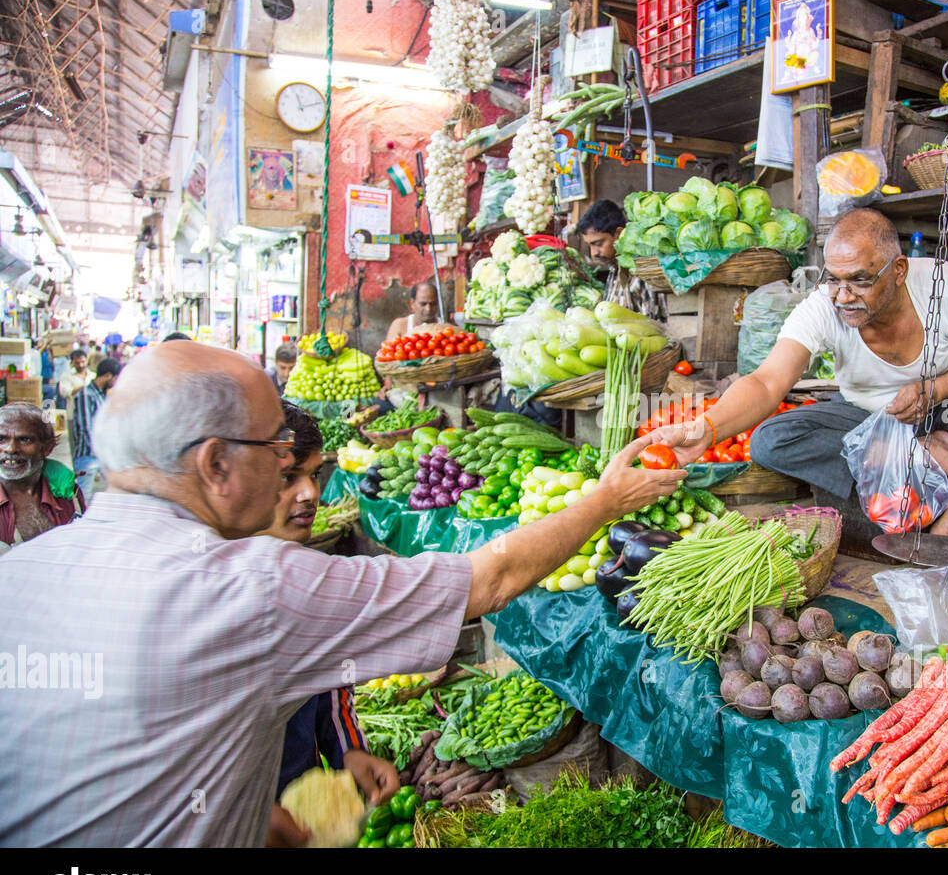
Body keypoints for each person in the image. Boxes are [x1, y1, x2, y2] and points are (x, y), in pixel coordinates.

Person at [0, 341, 684, 846]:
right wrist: (606, 500)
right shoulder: (251, 583)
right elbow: (490, 580)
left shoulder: (21, 574)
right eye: (274, 449)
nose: (295, 481)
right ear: (214, 463)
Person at [650, 208, 948, 538]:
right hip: (867, 422)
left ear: (898, 270)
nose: (843, 297)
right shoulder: (824, 307)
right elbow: (768, 381)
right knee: (772, 439)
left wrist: (935, 387)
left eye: (859, 280)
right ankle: (934, 463)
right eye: (834, 280)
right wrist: (708, 429)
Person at [264, 402, 399, 847]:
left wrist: (350, 752)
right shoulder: (204, 589)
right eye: (289, 478)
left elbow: (330, 678)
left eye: (315, 475)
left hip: (300, 800)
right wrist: (250, 808)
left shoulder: (309, 575)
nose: (310, 493)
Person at [0, 404, 85, 553]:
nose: (10, 449)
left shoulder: (68, 494)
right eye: (1, 439)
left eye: (24, 439)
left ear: (47, 448)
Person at [68, 358, 121, 498]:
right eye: (115, 378)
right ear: (108, 375)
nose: (116, 383)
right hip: (88, 455)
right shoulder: (86, 395)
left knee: (117, 491)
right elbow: (86, 429)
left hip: (101, 455)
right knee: (82, 498)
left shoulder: (102, 395)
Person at [576, 199, 626, 269]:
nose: (593, 253)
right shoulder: (613, 266)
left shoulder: (640, 269)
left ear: (619, 234)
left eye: (598, 244)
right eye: (589, 245)